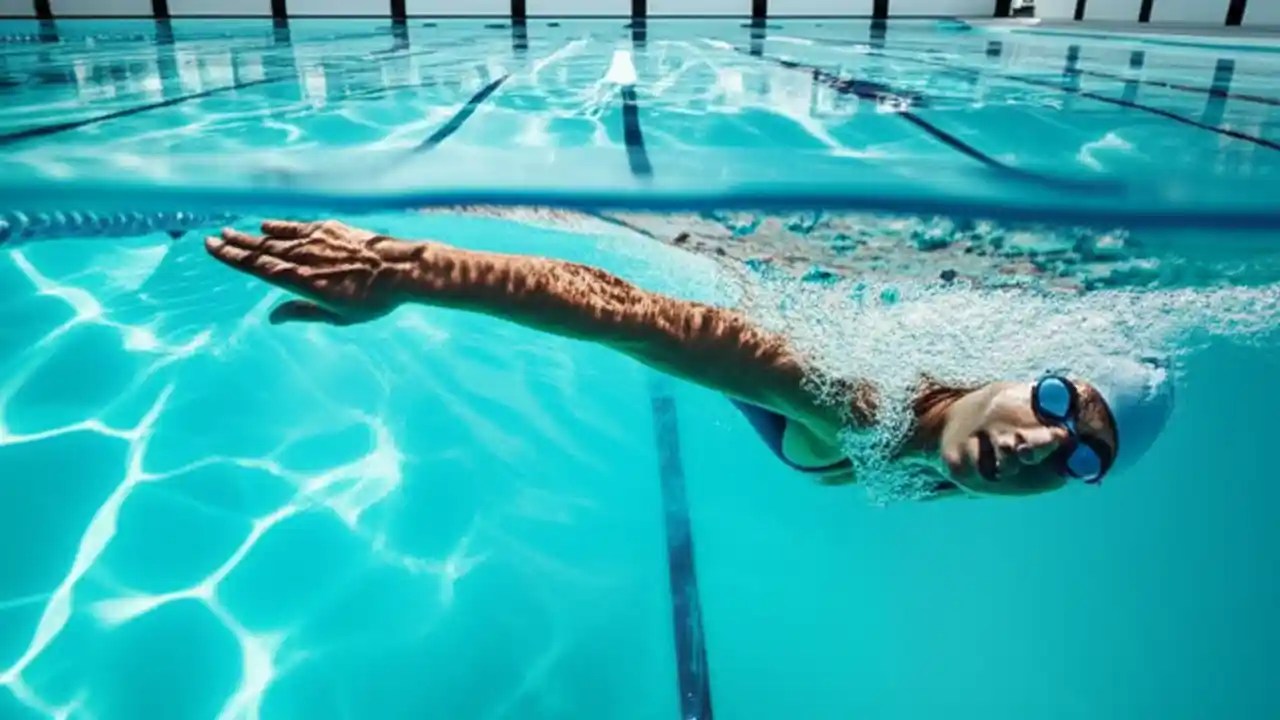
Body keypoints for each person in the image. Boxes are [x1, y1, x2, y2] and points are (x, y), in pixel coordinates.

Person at [205, 219, 1174, 500]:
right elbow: (637, 314)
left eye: (1080, 459)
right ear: (1016, 370)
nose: (1041, 443)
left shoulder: (942, 460)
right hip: (745, 272)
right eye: (1057, 401)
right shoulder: (861, 401)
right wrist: (413, 268)